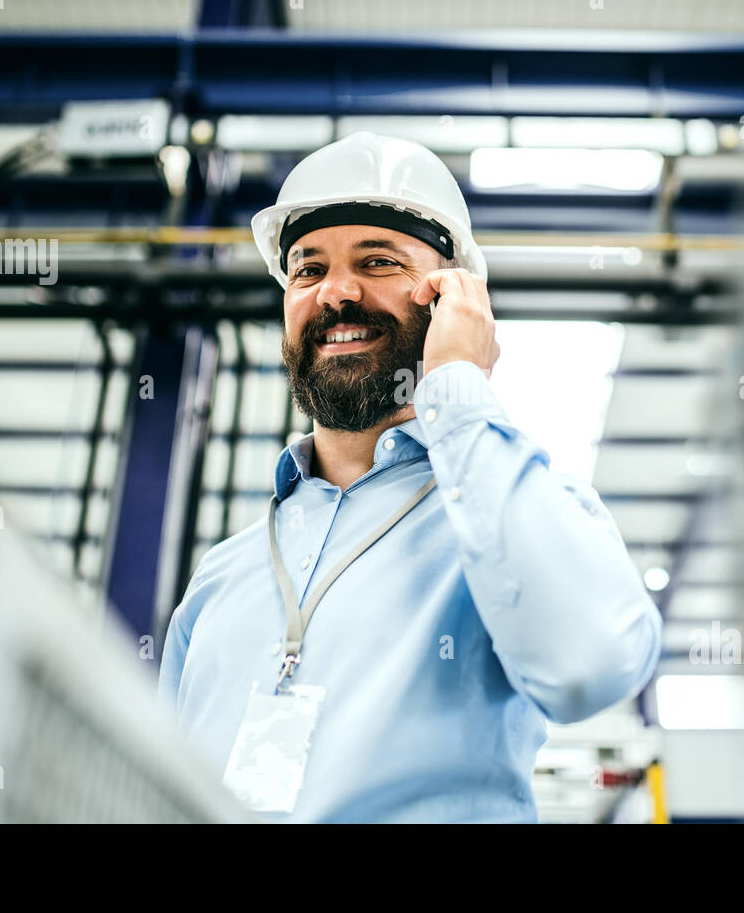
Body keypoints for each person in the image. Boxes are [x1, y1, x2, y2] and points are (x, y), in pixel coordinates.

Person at [158, 131, 663, 822]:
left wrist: (456, 386)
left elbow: (589, 667)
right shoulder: (220, 580)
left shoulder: (512, 515)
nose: (336, 292)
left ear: (452, 296)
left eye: (378, 261)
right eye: (307, 269)